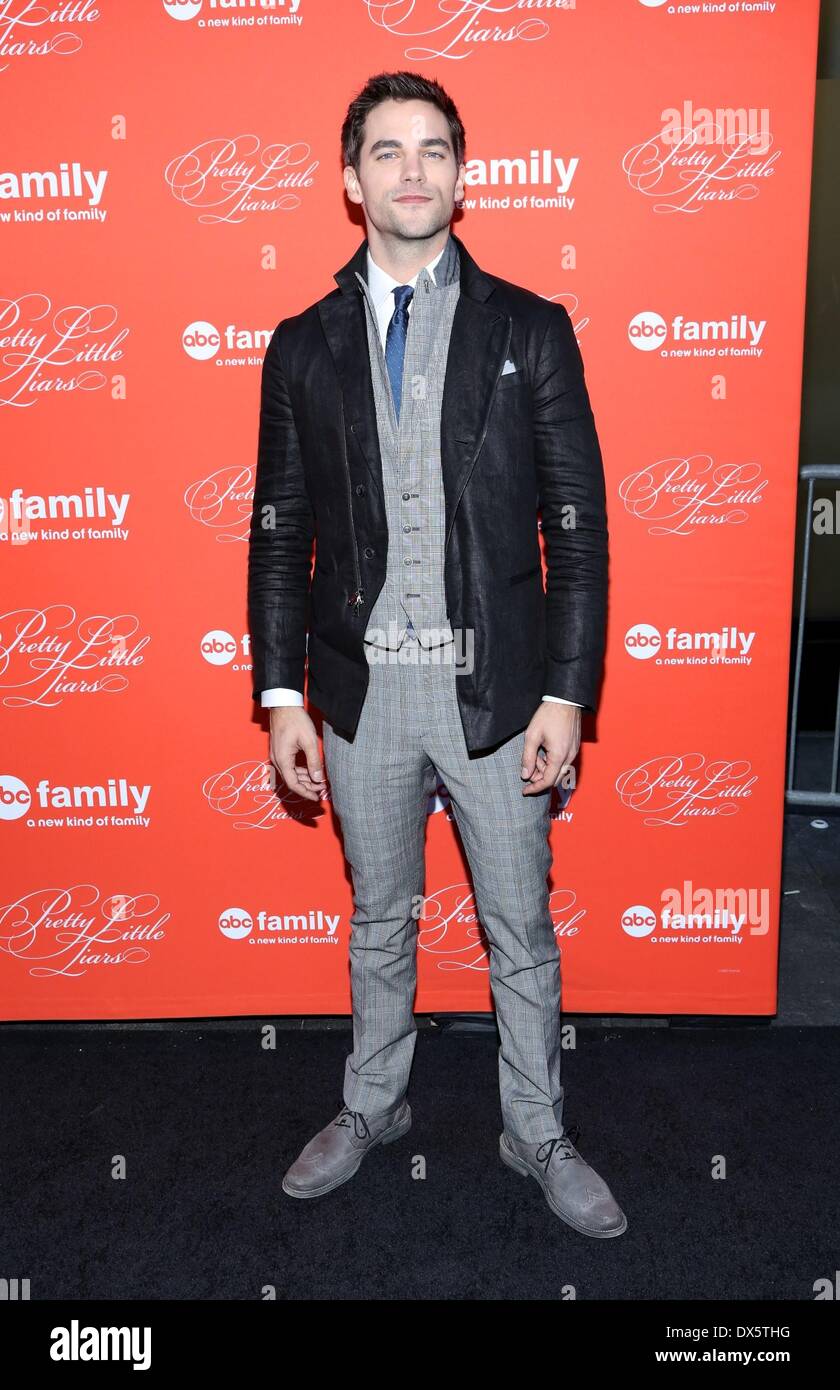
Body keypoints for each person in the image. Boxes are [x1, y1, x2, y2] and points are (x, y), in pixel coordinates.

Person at [247, 70, 626, 1238]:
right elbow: (279, 523)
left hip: (500, 689)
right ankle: (374, 1106)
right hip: (359, 692)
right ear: (351, 178)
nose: (413, 171)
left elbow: (577, 522)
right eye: (387, 151)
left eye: (435, 151)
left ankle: (537, 1127)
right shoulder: (301, 345)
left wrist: (568, 690)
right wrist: (278, 694)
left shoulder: (530, 328)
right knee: (378, 918)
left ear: (463, 174)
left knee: (519, 924)